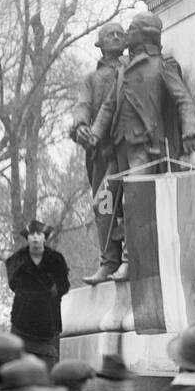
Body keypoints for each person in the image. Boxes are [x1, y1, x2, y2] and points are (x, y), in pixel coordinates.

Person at [89, 12, 195, 284]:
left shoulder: (161, 66)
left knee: (135, 201)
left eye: (131, 30)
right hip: (119, 150)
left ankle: (132, 261)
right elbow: (108, 107)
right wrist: (95, 134)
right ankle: (109, 260)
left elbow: (183, 100)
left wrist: (190, 130)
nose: (126, 34)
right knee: (102, 202)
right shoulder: (122, 70)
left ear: (145, 34)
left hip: (145, 150)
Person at [70, 21, 129, 284]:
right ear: (100, 43)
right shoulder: (91, 79)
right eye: (109, 35)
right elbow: (82, 106)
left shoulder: (132, 68)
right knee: (105, 207)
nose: (115, 38)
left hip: (126, 151)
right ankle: (109, 259)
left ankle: (120, 260)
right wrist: (80, 126)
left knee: (121, 205)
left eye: (120, 34)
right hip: (101, 155)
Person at [5, 221, 70, 371]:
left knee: (49, 369)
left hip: (50, 323)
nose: (35, 237)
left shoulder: (56, 260)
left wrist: (50, 290)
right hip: (22, 323)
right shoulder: (17, 261)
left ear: (45, 238)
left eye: (39, 234)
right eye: (31, 234)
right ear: (27, 238)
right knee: (19, 370)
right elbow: (14, 285)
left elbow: (63, 286)